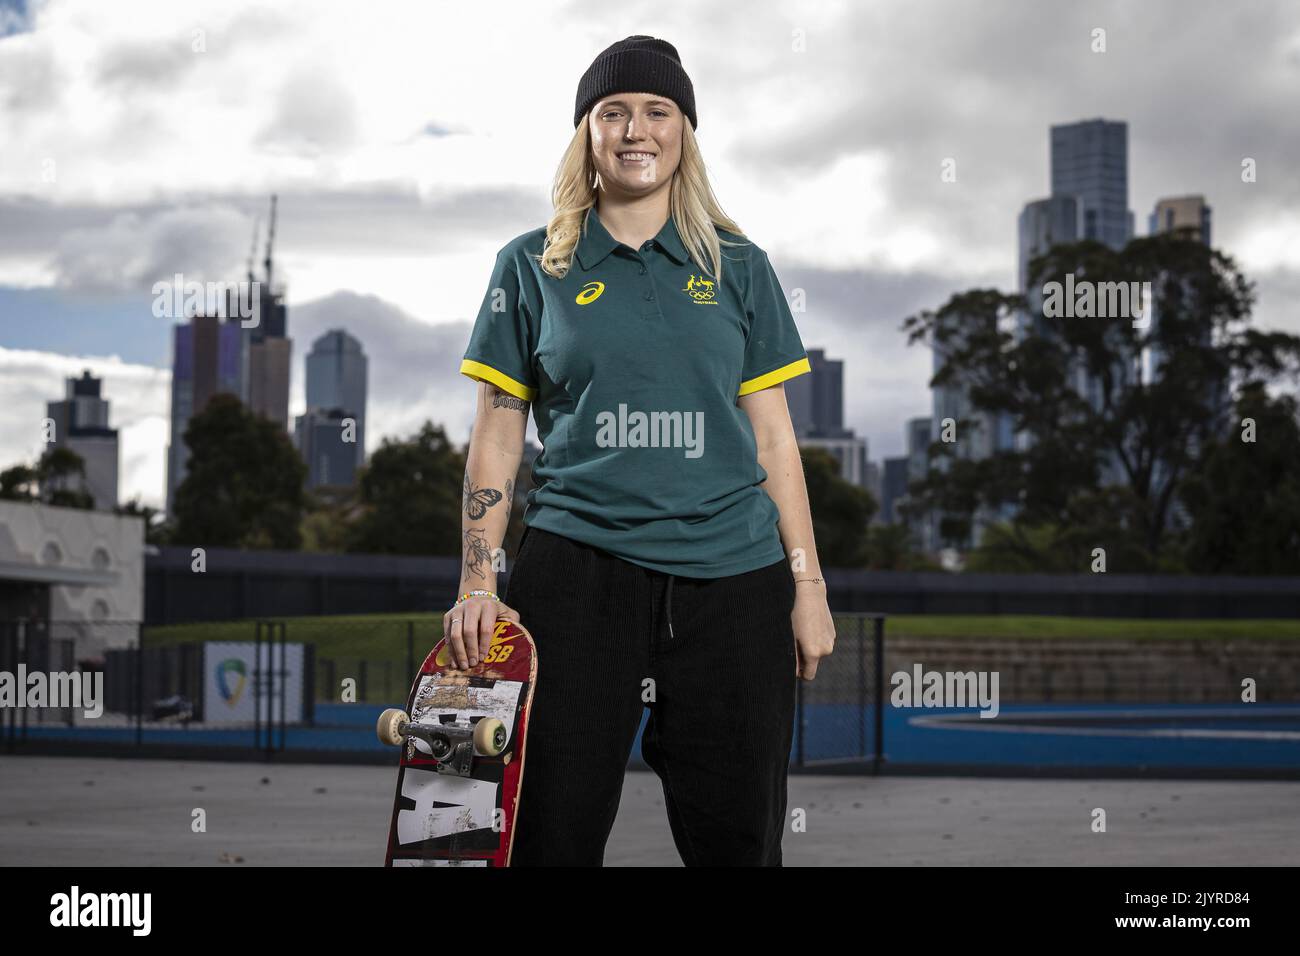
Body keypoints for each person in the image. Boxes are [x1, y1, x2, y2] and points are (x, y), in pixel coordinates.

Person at [449, 35, 836, 866]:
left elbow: (774, 437)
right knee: (550, 833)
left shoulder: (739, 266)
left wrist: (807, 584)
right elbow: (497, 430)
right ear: (585, 132)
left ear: (685, 133)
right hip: (576, 578)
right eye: (613, 112)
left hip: (734, 582)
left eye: (659, 111)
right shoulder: (530, 265)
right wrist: (479, 581)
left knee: (739, 842)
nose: (637, 129)